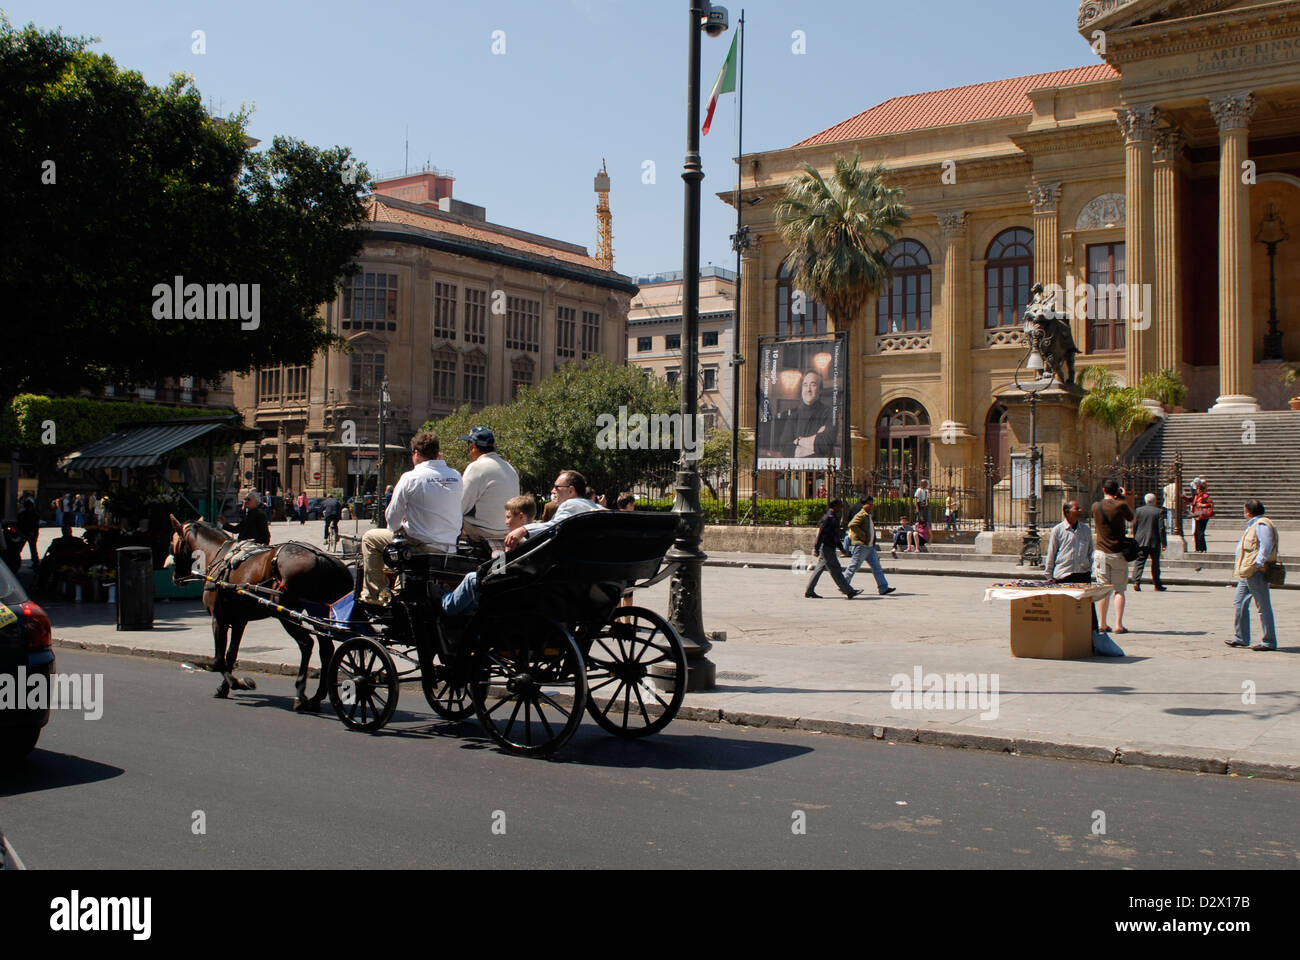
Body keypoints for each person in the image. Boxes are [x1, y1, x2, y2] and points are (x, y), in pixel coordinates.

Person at [360, 432, 462, 612]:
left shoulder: (411, 477)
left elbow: (391, 520)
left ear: (415, 452)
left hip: (421, 546)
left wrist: (401, 525)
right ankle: (400, 587)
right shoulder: (456, 476)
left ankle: (375, 595)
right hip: (449, 546)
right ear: (437, 452)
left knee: (370, 538)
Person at [503, 470, 604, 551]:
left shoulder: (570, 504)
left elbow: (554, 526)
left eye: (557, 487)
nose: (552, 491)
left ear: (570, 491)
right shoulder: (597, 507)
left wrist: (523, 530)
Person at [1226, 499, 1279, 651]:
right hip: (1246, 571)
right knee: (1239, 602)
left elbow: (1266, 546)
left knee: (1263, 606)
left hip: (1255, 571)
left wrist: (1257, 565)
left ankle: (1269, 641)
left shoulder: (1262, 525)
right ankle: (1241, 637)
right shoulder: (1253, 524)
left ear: (1248, 511)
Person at [459, 427, 520, 549]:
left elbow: (460, 506)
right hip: (506, 530)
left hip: (484, 532)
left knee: (447, 516)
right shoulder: (510, 468)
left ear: (473, 447)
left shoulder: (476, 467)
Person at [1044, 499, 1098, 633]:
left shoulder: (1085, 529)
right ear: (1067, 512)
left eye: (1080, 509)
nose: (1080, 511)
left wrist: (1093, 571)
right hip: (1064, 574)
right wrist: (1049, 574)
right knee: (1063, 610)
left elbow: (1091, 552)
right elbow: (1052, 552)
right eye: (1077, 509)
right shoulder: (1058, 530)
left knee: (1086, 610)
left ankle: (1091, 635)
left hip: (1082, 574)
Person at [1091, 478, 1134, 633]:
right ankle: (1118, 624)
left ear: (1103, 490)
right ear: (1117, 491)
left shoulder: (1096, 506)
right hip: (1118, 552)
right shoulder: (1121, 505)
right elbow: (1131, 517)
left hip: (1101, 552)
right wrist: (1121, 497)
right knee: (1119, 590)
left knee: (1103, 588)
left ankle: (1102, 623)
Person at [804, 498, 862, 599]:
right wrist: (816, 548)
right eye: (840, 505)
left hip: (829, 547)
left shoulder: (833, 517)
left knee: (819, 569)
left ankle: (809, 591)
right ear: (834, 506)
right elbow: (821, 534)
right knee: (836, 570)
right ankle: (849, 591)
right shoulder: (828, 518)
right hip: (827, 548)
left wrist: (842, 548)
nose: (841, 507)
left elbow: (835, 536)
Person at [775, 370, 836, 460]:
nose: (808, 390)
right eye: (805, 385)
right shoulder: (794, 416)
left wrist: (799, 441)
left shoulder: (829, 413)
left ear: (820, 391)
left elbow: (826, 443)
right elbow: (784, 448)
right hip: (797, 470)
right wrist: (815, 441)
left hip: (821, 470)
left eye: (813, 385)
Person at [843, 496, 895, 595]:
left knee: (877, 567)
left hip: (869, 546)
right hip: (861, 546)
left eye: (872, 504)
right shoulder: (861, 514)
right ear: (864, 505)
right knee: (853, 566)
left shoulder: (868, 515)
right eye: (869, 504)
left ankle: (883, 587)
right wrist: (862, 536)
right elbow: (852, 525)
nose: (871, 506)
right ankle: (844, 585)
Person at [1130, 492, 1167, 591]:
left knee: (1139, 562)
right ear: (1154, 501)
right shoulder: (1158, 511)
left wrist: (1135, 537)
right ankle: (1157, 584)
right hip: (1154, 541)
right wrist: (1164, 542)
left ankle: (1136, 581)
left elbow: (1134, 525)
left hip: (1141, 540)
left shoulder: (1138, 510)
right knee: (1155, 564)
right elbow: (1161, 528)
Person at [16, 492, 41, 571]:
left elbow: (20, 524)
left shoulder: (23, 514)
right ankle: (35, 563)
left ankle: (35, 563)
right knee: (32, 549)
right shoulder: (34, 514)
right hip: (29, 533)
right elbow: (36, 525)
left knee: (30, 549)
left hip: (27, 533)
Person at [1191, 479, 1214, 553]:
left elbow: (1211, 504)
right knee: (1196, 532)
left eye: (1197, 489)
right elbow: (1191, 501)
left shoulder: (1205, 496)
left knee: (1200, 532)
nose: (1196, 490)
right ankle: (1197, 548)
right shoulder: (1196, 496)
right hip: (1197, 515)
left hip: (1203, 516)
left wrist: (1203, 505)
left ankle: (1202, 548)